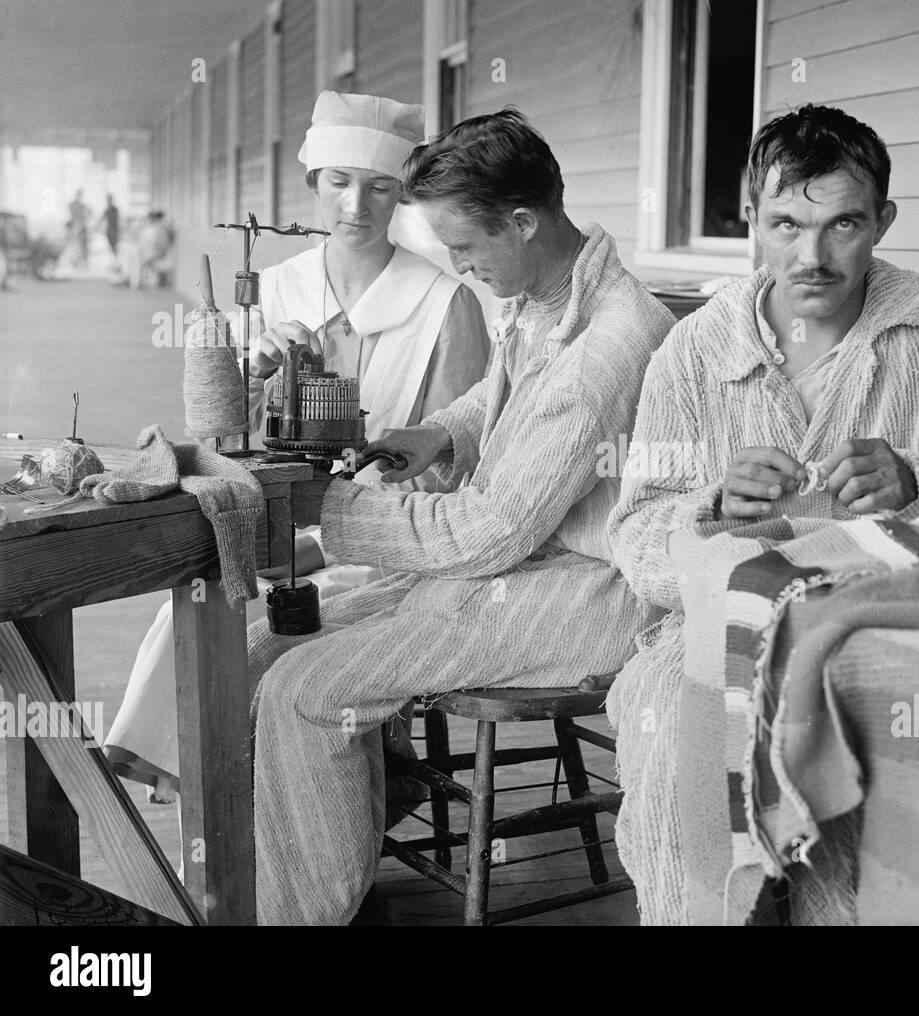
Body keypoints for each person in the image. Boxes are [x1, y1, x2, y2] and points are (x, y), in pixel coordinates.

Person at [242, 108, 674, 925]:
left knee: (304, 688)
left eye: (466, 249)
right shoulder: (551, 292)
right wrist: (441, 429)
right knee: (265, 644)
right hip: (520, 558)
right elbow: (506, 393)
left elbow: (491, 529)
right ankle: (316, 854)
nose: (461, 268)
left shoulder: (612, 345)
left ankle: (304, 911)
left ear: (522, 219)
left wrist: (329, 509)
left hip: (585, 589)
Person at [604, 104, 919, 924]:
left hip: (883, 639)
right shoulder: (694, 353)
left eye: (842, 226)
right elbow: (633, 539)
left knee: (875, 766)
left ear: (883, 223)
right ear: (752, 218)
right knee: (669, 749)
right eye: (785, 224)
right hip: (713, 639)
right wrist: (710, 506)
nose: (812, 255)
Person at [104, 91, 493, 804]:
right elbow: (224, 440)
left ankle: (280, 809)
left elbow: (456, 468)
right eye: (339, 182)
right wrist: (252, 375)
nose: (357, 205)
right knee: (190, 614)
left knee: (268, 634)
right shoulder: (272, 294)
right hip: (284, 526)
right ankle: (220, 804)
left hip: (388, 547)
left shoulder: (445, 304)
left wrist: (351, 514)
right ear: (312, 183)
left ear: (403, 192)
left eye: (380, 186)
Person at [99, 194, 120, 258]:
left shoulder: (114, 209)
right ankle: (114, 258)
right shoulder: (107, 210)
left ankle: (116, 258)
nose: (108, 201)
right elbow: (102, 218)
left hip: (114, 230)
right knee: (111, 245)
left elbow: (116, 220)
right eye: (108, 200)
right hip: (109, 230)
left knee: (114, 246)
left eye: (109, 200)